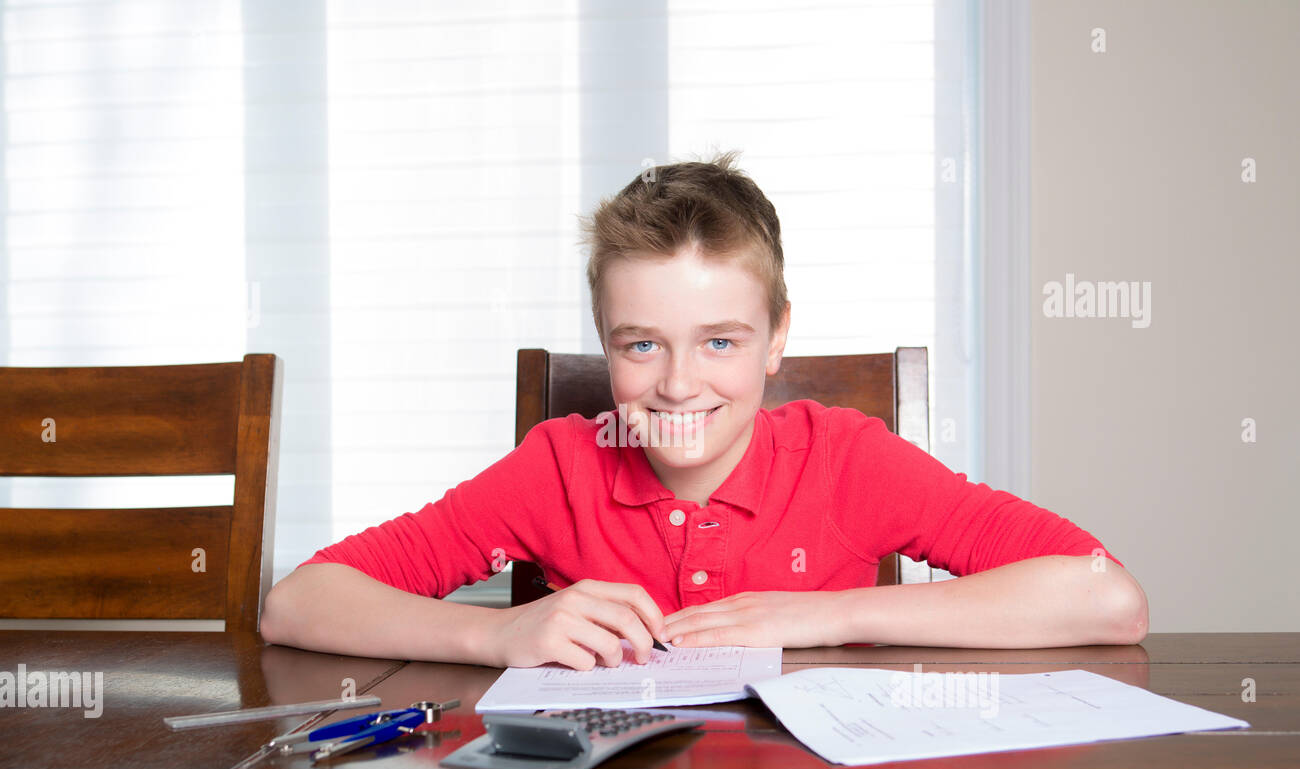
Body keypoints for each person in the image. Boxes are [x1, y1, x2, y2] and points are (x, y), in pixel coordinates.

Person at [260, 151, 1148, 667]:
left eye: (719, 341)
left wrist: (825, 615)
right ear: (606, 340)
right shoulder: (563, 466)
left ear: (777, 339)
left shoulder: (847, 460)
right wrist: (500, 633)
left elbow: (1110, 600)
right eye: (641, 344)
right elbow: (297, 604)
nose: (679, 384)